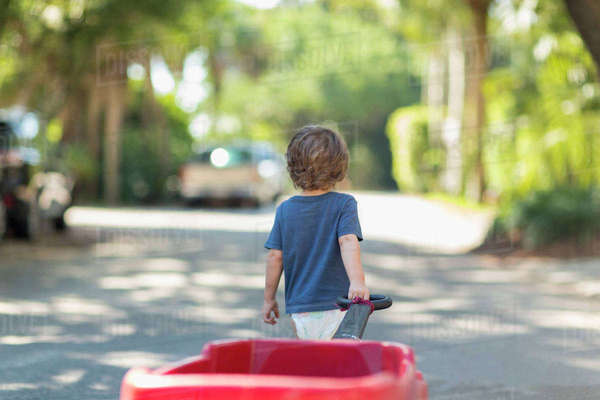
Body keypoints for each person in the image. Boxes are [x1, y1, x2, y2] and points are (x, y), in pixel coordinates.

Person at [262, 125, 369, 340]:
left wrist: (269, 298)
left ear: (292, 167)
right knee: (338, 361)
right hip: (339, 306)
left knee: (312, 359)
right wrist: (357, 282)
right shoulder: (344, 204)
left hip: (299, 309)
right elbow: (348, 240)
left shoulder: (285, 209)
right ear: (339, 166)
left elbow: (275, 256)